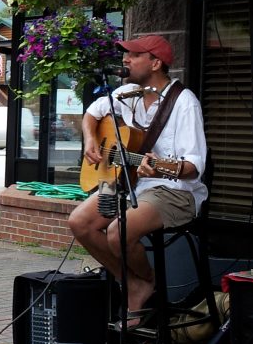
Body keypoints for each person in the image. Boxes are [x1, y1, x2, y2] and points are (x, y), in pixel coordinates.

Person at [67, 35, 208, 324]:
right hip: (129, 182)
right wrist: (90, 140)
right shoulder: (126, 92)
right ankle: (130, 282)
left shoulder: (184, 103)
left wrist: (158, 167)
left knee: (119, 231)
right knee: (80, 222)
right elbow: (91, 116)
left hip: (173, 190)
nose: (125, 60)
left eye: (134, 55)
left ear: (155, 63)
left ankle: (146, 281)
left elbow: (194, 166)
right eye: (125, 54)